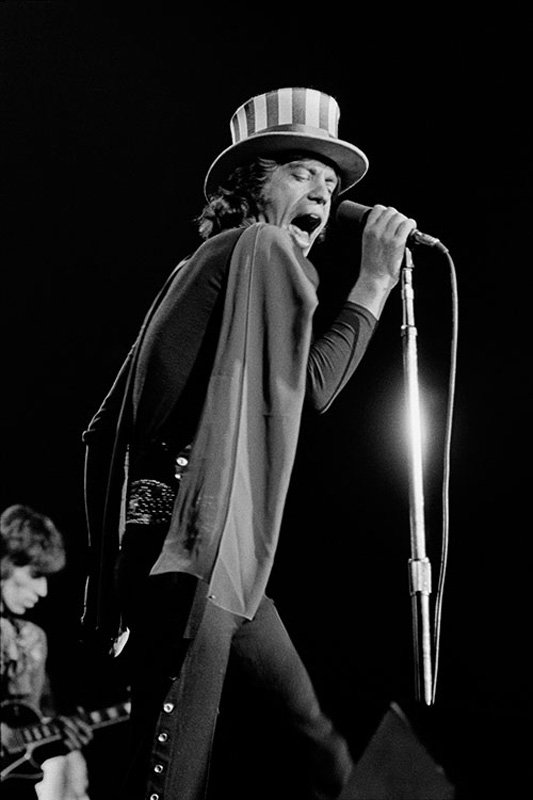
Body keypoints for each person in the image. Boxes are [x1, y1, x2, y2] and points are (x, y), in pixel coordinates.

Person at [81, 87, 417, 800]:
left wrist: (109, 582)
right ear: (250, 186)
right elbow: (313, 386)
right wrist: (375, 282)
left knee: (312, 739)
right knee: (172, 778)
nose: (322, 194)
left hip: (218, 556)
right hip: (197, 551)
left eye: (329, 183)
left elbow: (104, 430)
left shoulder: (211, 265)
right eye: (300, 173)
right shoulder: (261, 247)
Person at [0, 504, 93, 800]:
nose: (43, 591)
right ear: (5, 563)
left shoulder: (32, 638)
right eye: (35, 574)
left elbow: (31, 722)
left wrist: (57, 738)